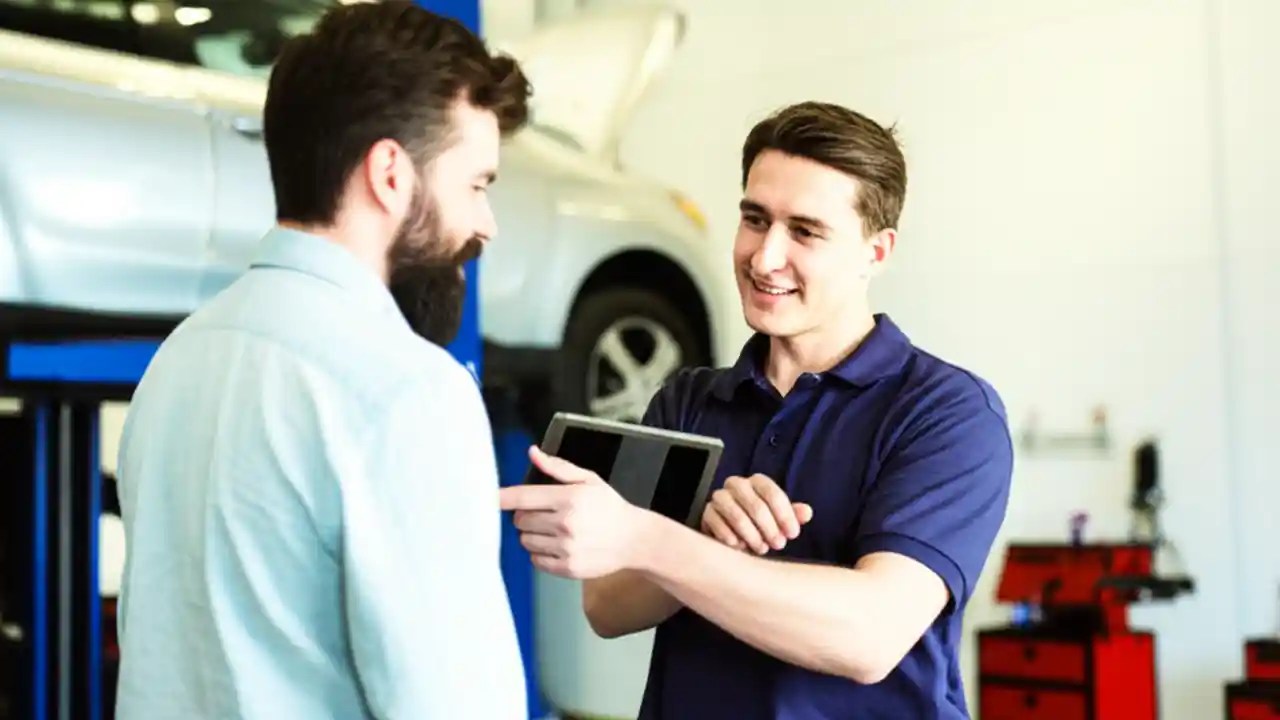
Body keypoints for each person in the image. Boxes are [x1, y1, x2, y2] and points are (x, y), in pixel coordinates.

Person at [502, 101, 1014, 719]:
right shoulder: (688, 400)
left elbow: (870, 635)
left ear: (876, 252)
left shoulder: (945, 413)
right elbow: (608, 607)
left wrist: (653, 539)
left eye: (805, 231)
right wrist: (703, 533)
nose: (765, 257)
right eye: (754, 219)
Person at [113, 3, 531, 718]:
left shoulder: (177, 362)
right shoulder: (410, 392)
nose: (484, 224)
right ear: (391, 175)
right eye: (477, 185)